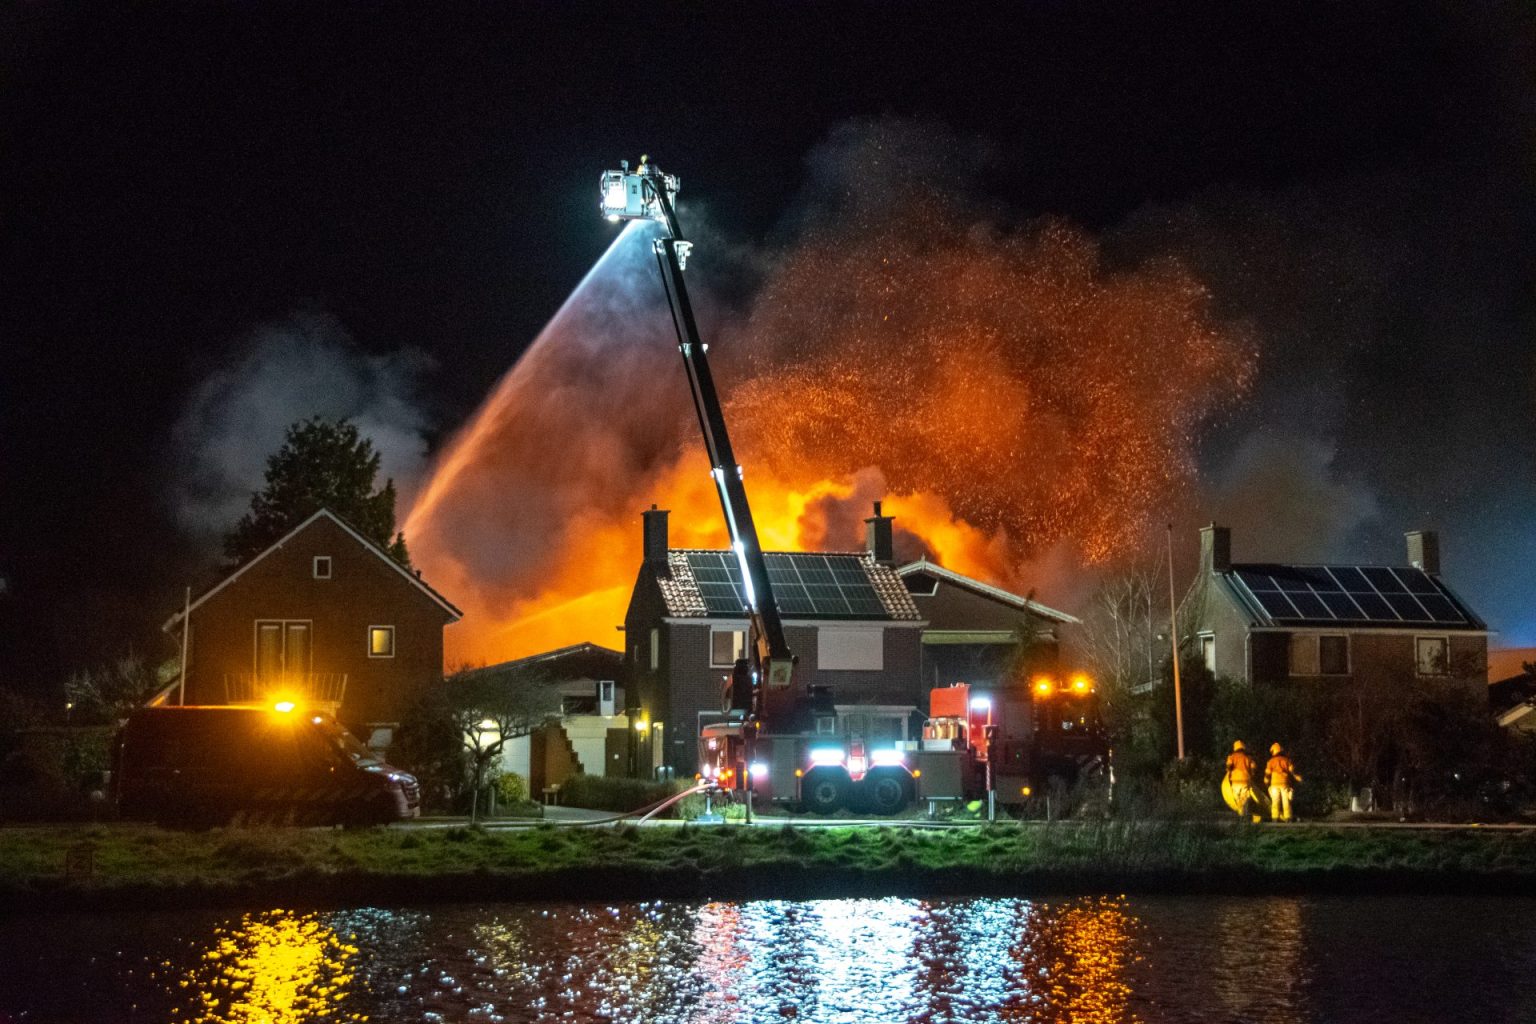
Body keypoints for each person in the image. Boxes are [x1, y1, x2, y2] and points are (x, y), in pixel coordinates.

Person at [1264, 742, 1302, 822]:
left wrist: (1266, 781)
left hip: (1274, 784)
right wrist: (1297, 777)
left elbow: (1267, 773)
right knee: (1286, 801)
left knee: (1275, 801)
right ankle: (1288, 818)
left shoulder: (1271, 761)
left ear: (1273, 751)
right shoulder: (1287, 760)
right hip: (1284, 783)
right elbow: (1292, 771)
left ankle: (1275, 818)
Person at [1224, 740, 1259, 818]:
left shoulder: (1231, 757)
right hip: (1245, 781)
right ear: (1243, 748)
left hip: (1235, 781)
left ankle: (1240, 815)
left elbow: (1229, 766)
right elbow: (1253, 767)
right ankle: (1244, 815)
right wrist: (1252, 774)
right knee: (1245, 799)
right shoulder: (1248, 758)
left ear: (1235, 748)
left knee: (1237, 798)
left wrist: (1228, 771)